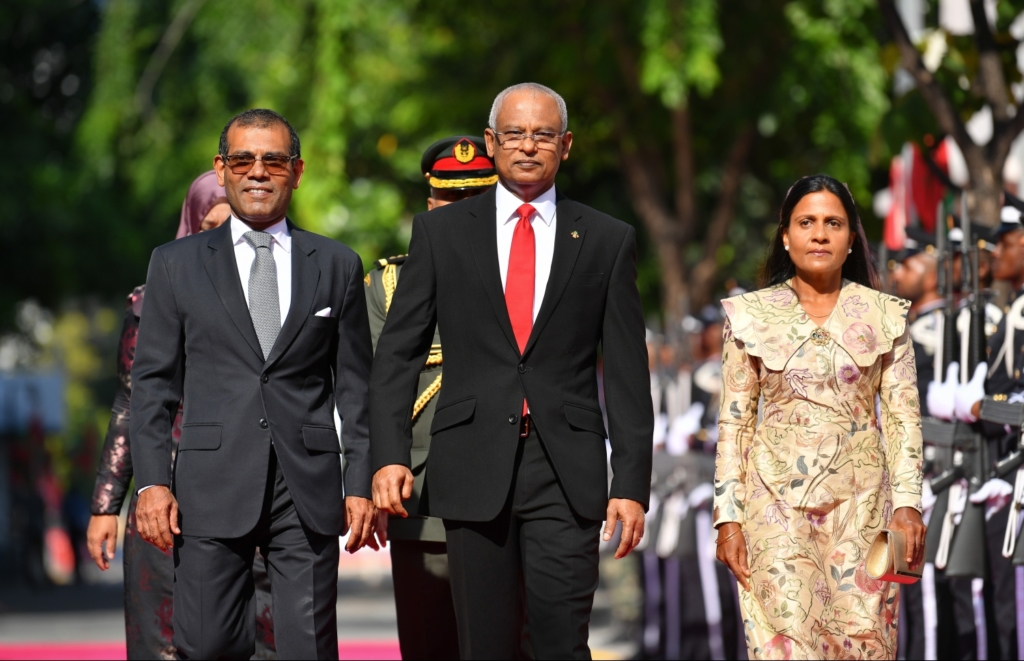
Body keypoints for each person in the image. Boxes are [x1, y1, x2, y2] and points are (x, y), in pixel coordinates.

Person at [369, 82, 653, 658]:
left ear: (566, 145)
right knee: (485, 645)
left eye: (543, 135)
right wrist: (390, 455)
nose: (529, 146)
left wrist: (630, 484)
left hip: (565, 470)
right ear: (493, 143)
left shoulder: (605, 239)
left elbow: (626, 372)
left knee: (559, 642)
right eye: (516, 134)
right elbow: (398, 354)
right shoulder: (441, 233)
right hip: (472, 465)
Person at [129, 109, 377, 659]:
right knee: (209, 644)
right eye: (242, 159)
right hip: (208, 486)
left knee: (308, 647)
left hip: (306, 488)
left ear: (297, 170)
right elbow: (152, 388)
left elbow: (357, 389)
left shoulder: (336, 264)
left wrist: (359, 482)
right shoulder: (174, 265)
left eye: (273, 160)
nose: (257, 172)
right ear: (222, 169)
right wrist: (150, 484)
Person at [714, 174, 926, 658]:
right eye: (806, 222)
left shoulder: (886, 315)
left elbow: (902, 419)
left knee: (864, 642)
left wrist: (908, 504)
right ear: (785, 236)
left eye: (833, 223)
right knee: (786, 645)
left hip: (865, 510)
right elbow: (734, 423)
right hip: (773, 511)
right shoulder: (749, 316)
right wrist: (727, 519)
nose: (819, 234)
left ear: (852, 239)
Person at [86, 171, 277, 660]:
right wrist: (106, 504)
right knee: (166, 642)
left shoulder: (273, 294)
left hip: (256, 486)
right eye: (209, 224)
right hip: (165, 492)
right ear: (192, 224)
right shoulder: (151, 303)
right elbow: (131, 402)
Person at [365, 136, 497, 660]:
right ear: (430, 204)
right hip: (424, 495)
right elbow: (378, 384)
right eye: (450, 200)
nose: (463, 213)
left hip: (513, 490)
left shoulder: (530, 269)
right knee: (431, 645)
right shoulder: (389, 283)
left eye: (477, 199)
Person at [946, 204, 1024, 660]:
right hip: (1000, 473)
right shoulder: (1010, 311)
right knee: (993, 609)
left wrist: (983, 406)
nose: (996, 254)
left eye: (1007, 242)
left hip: (1012, 474)